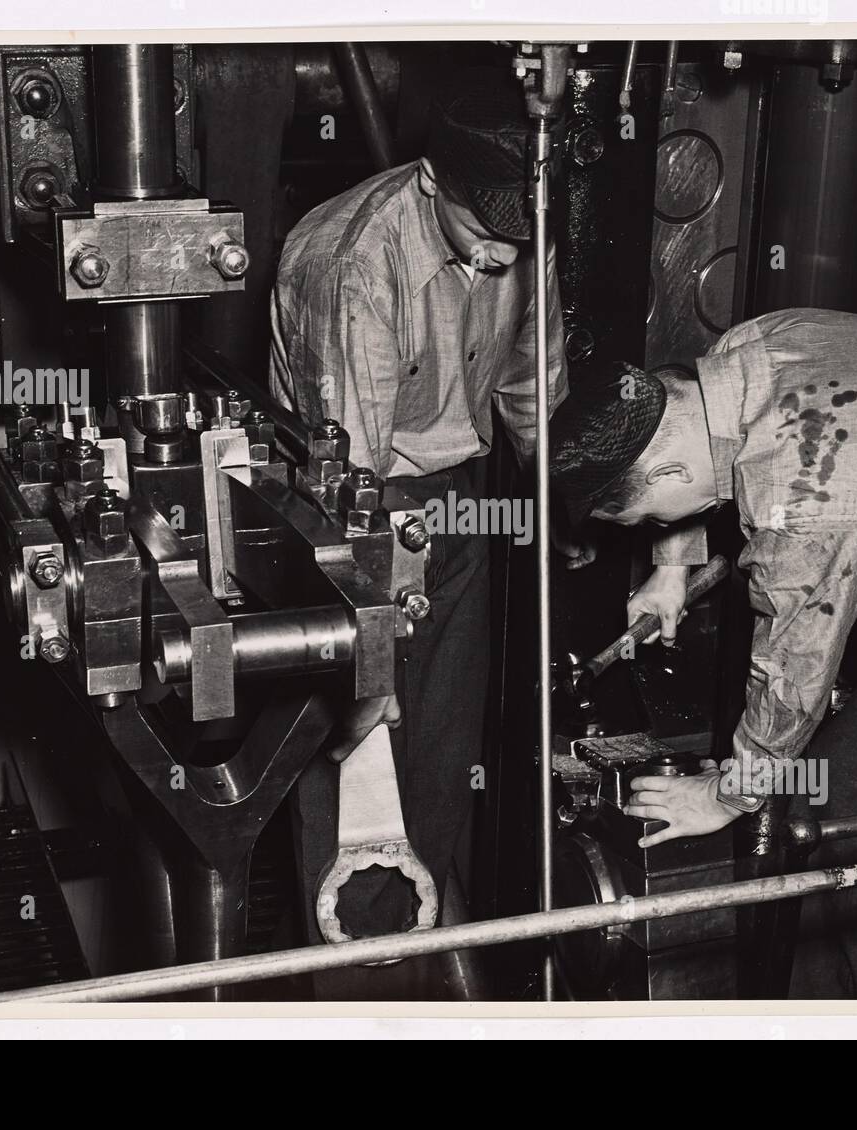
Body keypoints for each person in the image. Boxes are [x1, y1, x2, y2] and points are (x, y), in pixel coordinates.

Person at [549, 307, 857, 999]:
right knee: (832, 804)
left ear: (666, 470)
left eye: (653, 517)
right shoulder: (748, 349)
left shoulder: (802, 495)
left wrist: (725, 794)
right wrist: (673, 563)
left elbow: (793, 673)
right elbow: (682, 431)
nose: (661, 525)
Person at [269, 68, 566, 944]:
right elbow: (347, 485)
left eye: (521, 241)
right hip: (347, 509)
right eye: (485, 237)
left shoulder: (519, 229)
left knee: (441, 758)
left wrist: (570, 506)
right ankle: (351, 976)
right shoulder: (354, 264)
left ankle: (434, 958)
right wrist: (372, 634)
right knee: (356, 758)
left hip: (458, 502)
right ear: (433, 182)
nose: (502, 261)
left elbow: (528, 391)